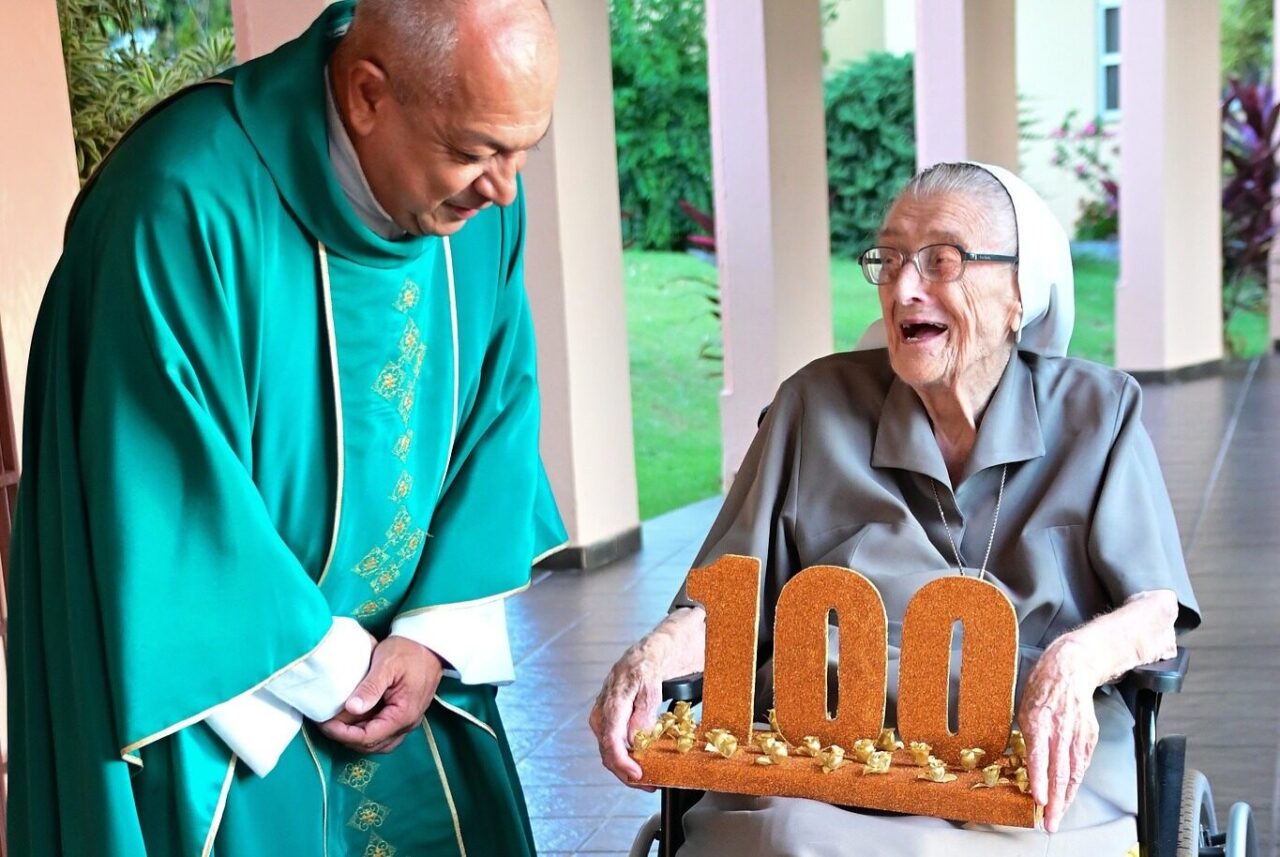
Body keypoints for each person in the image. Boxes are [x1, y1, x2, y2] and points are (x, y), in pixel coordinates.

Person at [9, 1, 565, 854]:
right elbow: (163, 487)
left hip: (416, 674)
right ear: (369, 94)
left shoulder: (482, 208)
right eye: (475, 151)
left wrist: (431, 637)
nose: (504, 189)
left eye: (524, 150)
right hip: (226, 698)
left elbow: (501, 413)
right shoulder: (179, 202)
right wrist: (328, 667)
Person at [590, 162, 1199, 856]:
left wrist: (1076, 660)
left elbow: (1155, 610)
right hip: (823, 758)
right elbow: (722, 604)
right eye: (890, 259)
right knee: (789, 837)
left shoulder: (1098, 412)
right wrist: (652, 654)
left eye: (942, 261)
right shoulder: (813, 405)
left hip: (1024, 751)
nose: (905, 288)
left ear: (1021, 292)